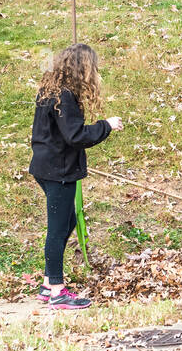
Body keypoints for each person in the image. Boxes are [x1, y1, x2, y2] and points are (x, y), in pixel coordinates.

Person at [28, 43, 123, 309]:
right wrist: (106, 125)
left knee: (67, 222)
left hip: (49, 166)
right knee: (57, 230)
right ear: (81, 68)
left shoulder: (51, 92)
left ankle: (48, 283)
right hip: (58, 171)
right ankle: (56, 290)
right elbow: (75, 135)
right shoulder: (64, 96)